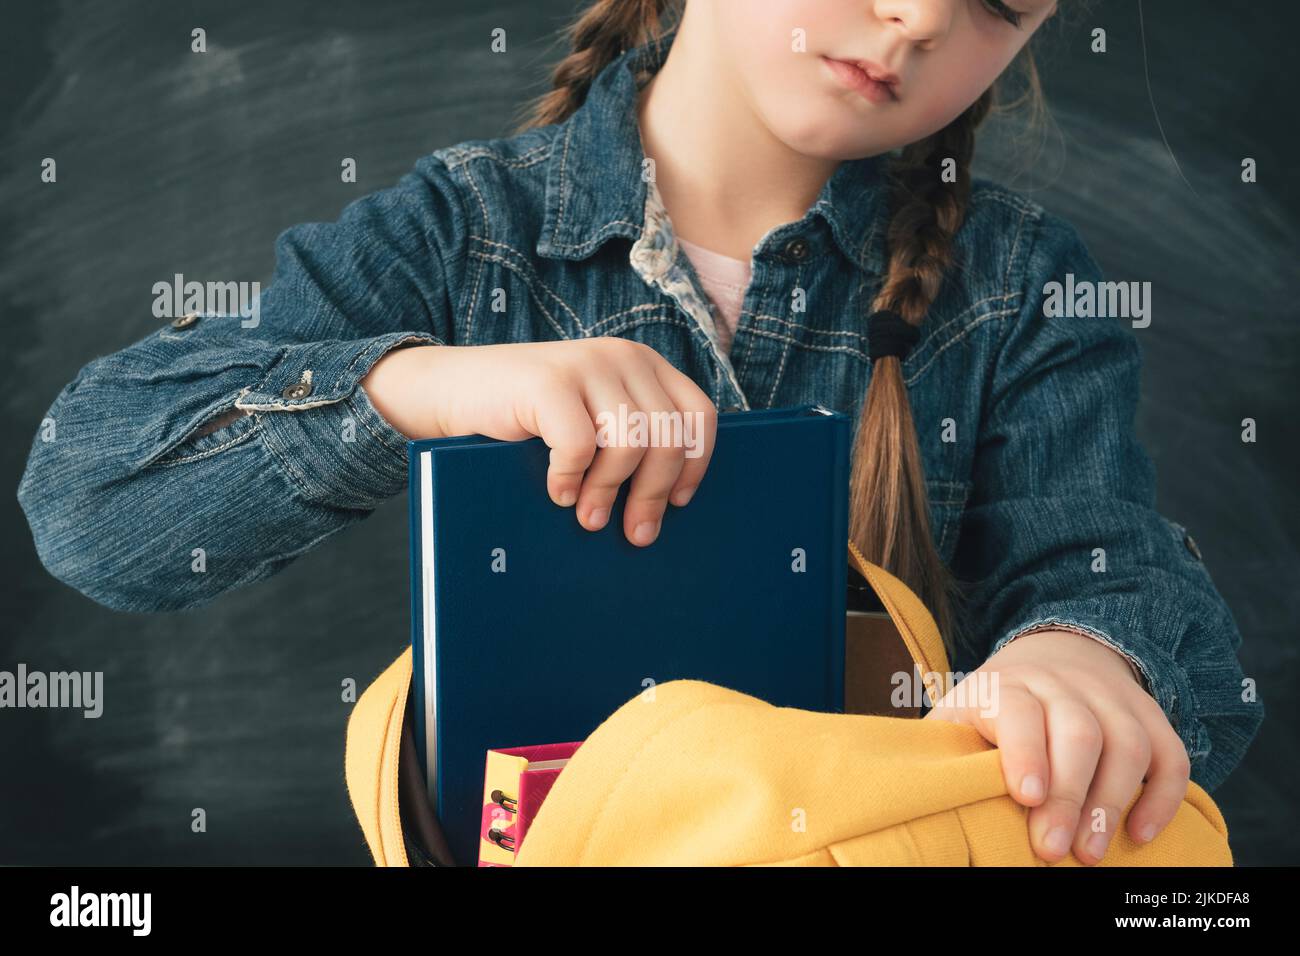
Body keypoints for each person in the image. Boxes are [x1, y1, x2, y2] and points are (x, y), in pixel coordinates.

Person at [17, 0, 1263, 865]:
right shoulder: (462, 234)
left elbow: (1117, 573)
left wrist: (1085, 658)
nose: (924, 22)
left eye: (998, 1)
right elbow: (89, 501)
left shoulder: (1021, 285)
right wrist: (421, 387)